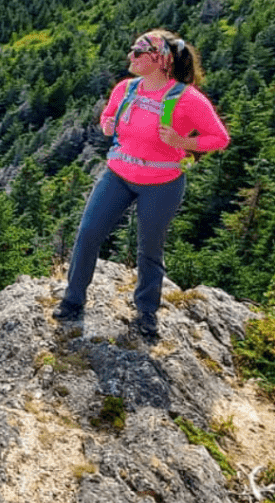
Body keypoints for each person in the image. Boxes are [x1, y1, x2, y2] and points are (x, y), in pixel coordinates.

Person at [52, 29, 230, 340]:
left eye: (138, 52)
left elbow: (220, 138)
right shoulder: (125, 89)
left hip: (162, 183)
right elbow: (108, 116)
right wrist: (107, 125)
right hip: (118, 174)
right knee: (89, 232)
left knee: (149, 248)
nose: (130, 56)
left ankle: (147, 312)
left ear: (161, 60)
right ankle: (73, 300)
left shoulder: (188, 99)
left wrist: (183, 142)